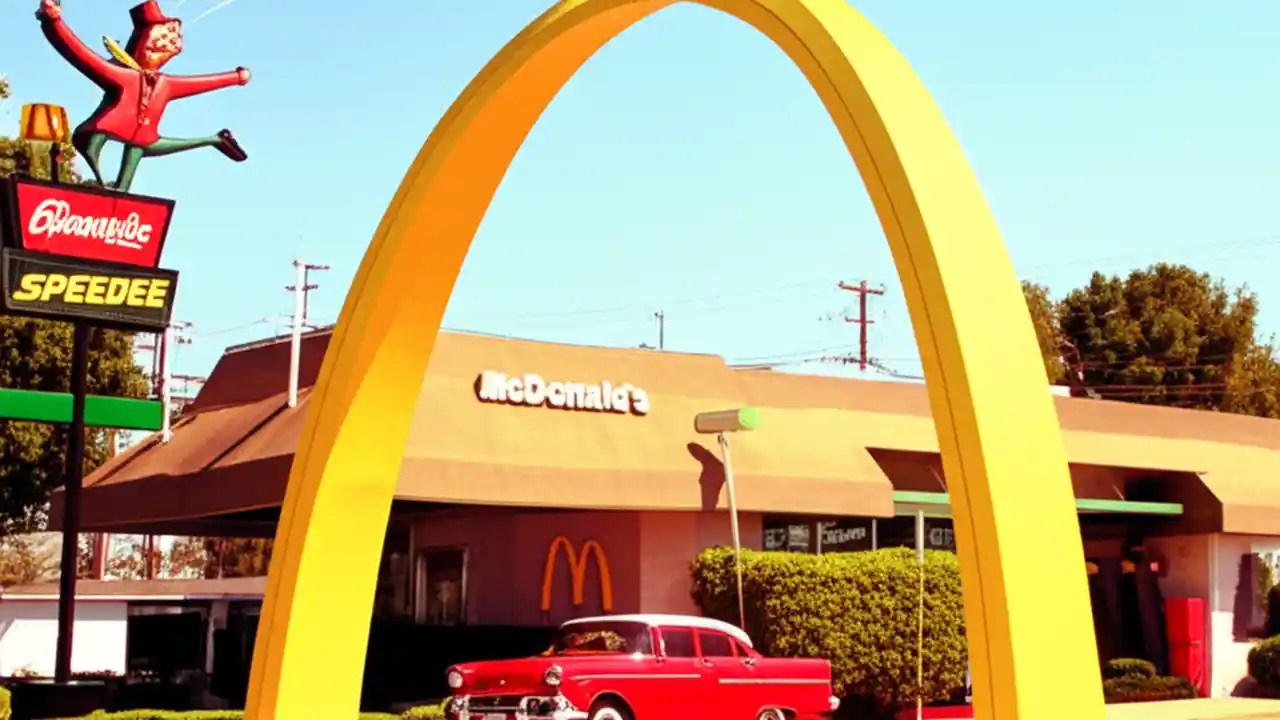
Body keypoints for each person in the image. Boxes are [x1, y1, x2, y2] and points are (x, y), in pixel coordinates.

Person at [35, 0, 251, 192]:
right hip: (106, 128)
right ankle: (103, 183)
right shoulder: (122, 76)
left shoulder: (165, 84)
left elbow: (201, 83)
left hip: (142, 139)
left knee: (135, 151)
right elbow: (78, 53)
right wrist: (53, 22)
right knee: (94, 143)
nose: (161, 50)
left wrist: (234, 78)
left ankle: (214, 140)